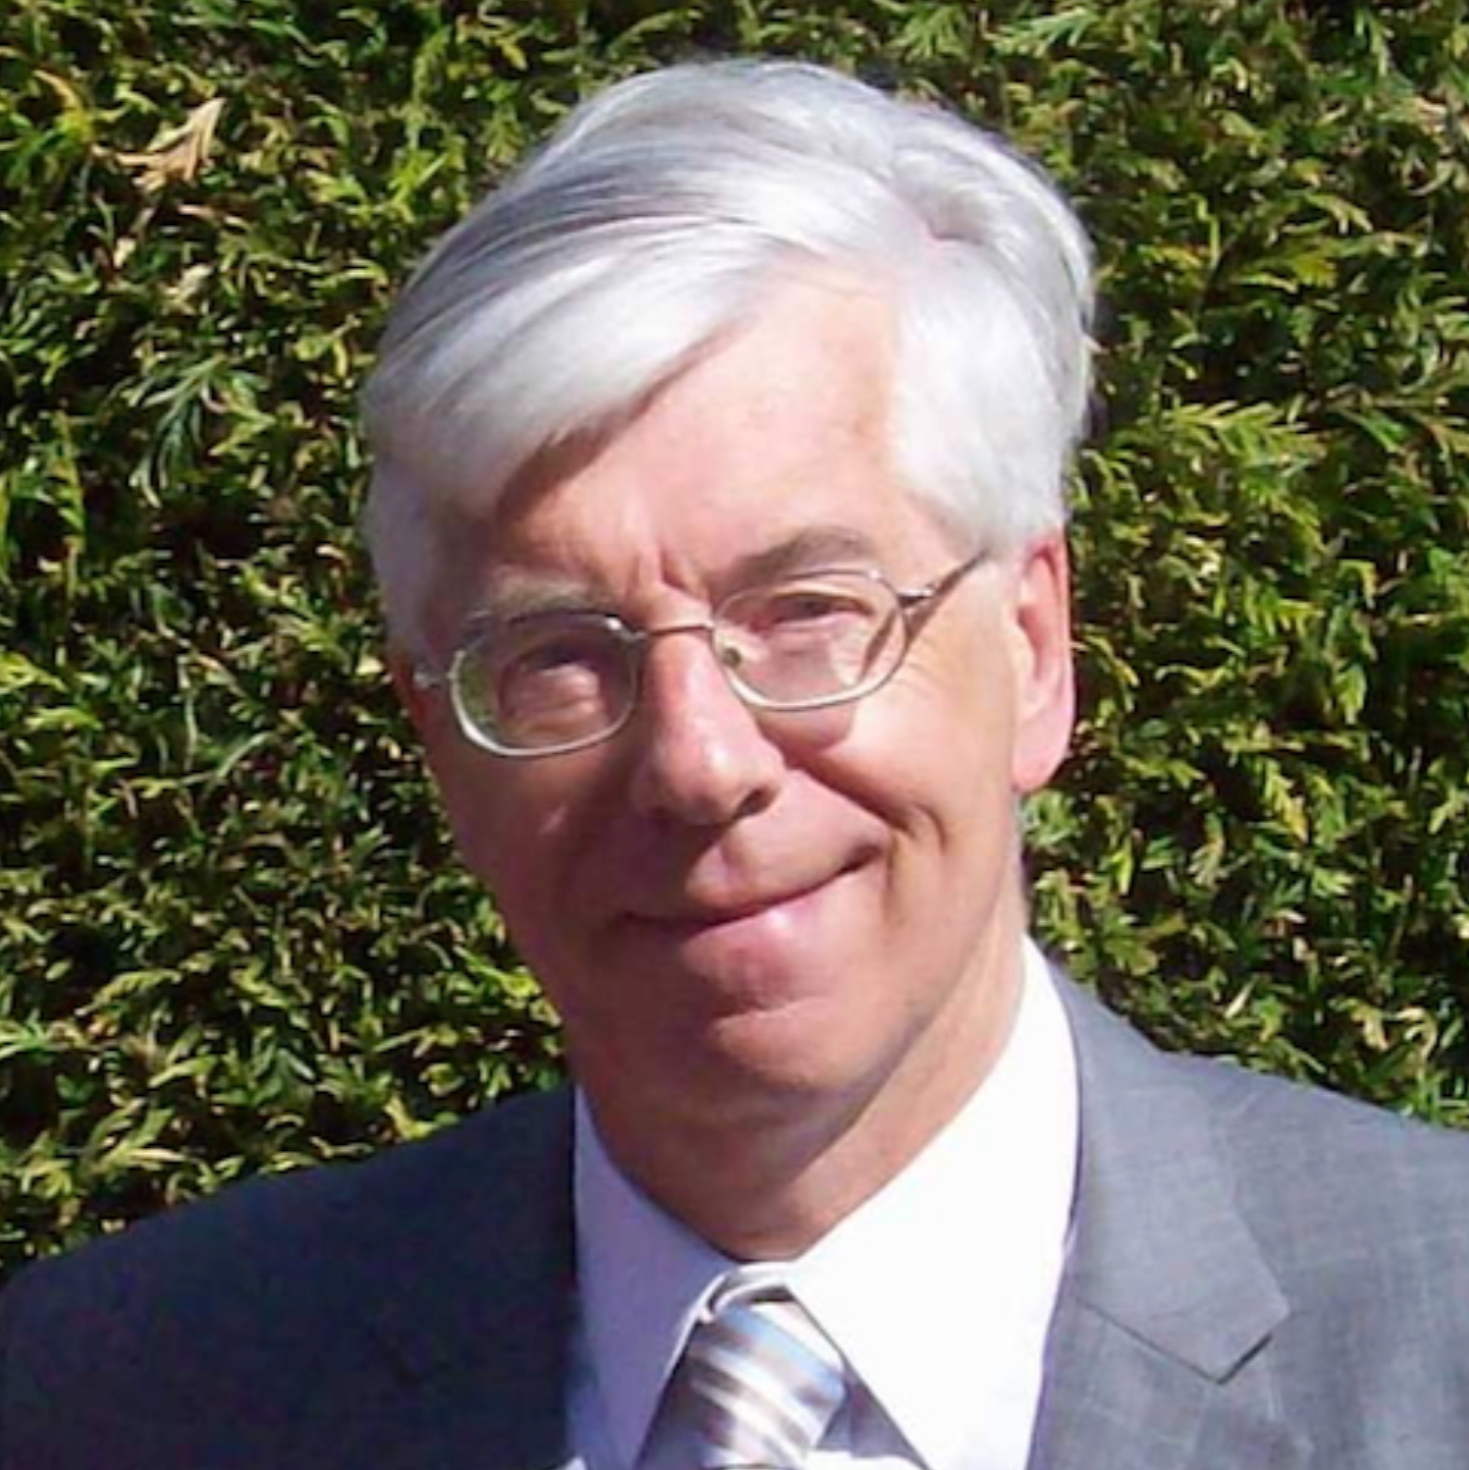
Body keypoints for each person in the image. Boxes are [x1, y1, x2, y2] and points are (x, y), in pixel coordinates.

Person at [2, 57, 1467, 1470]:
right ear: (438, 736)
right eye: (558, 653)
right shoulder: (120, 1394)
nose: (699, 761)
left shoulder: (1435, 1351)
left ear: (1032, 648)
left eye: (810, 610)